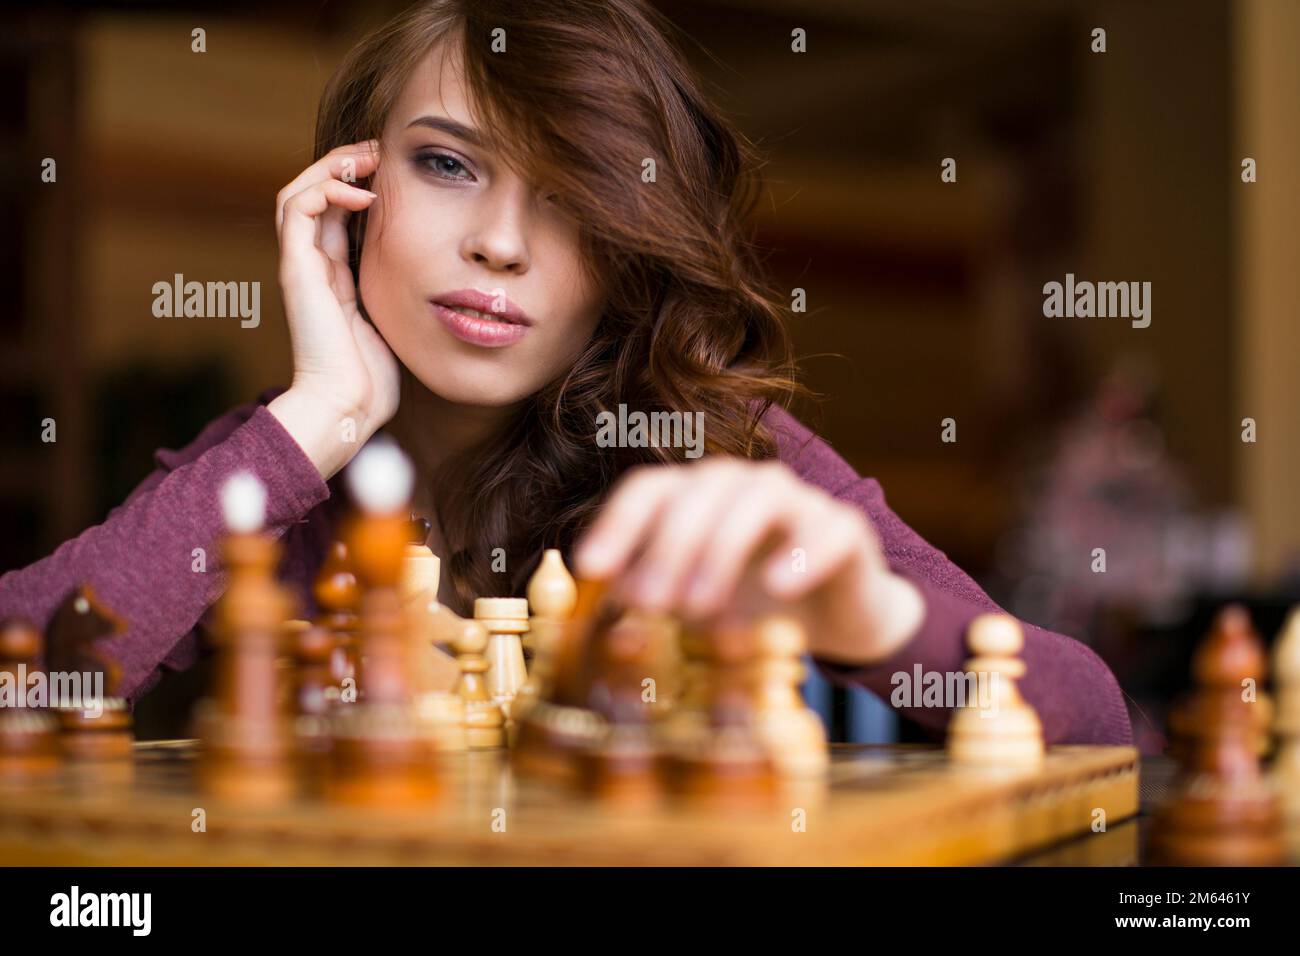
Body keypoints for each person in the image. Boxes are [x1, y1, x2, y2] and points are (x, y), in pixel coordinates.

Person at [0, 0, 1130, 746]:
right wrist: (321, 418)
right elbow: (19, 675)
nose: (500, 242)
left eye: (573, 200)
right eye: (446, 163)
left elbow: (1093, 722)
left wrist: (871, 614)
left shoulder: (714, 446)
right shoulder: (275, 467)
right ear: (350, 186)